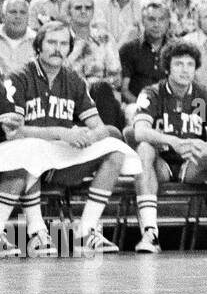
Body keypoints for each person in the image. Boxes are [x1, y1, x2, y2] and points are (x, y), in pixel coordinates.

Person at [0, 21, 134, 257]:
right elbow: (15, 132)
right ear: (38, 46)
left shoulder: (74, 80)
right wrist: (63, 132)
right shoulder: (18, 78)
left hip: (58, 157)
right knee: (30, 148)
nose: (57, 49)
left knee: (115, 149)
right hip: (18, 159)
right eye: (51, 42)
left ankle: (86, 230)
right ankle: (35, 230)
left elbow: (99, 127)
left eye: (63, 43)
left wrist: (89, 136)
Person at [131, 40, 207, 253]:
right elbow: (139, 131)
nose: (185, 69)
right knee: (144, 147)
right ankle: (150, 232)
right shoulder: (152, 92)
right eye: (179, 64)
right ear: (167, 67)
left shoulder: (204, 94)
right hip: (161, 164)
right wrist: (174, 142)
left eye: (190, 64)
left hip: (192, 164)